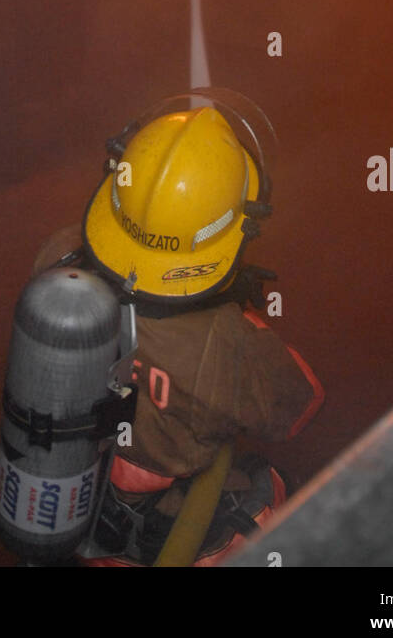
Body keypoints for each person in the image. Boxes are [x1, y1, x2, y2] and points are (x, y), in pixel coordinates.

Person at [32, 89, 324, 565]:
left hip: (72, 512)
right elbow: (301, 404)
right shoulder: (232, 343)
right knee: (275, 490)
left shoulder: (57, 257)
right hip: (162, 539)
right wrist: (241, 314)